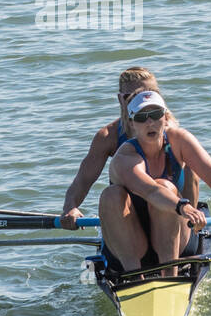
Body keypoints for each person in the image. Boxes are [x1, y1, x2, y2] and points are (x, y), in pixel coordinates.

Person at [100, 90, 211, 274]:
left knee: (166, 186)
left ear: (165, 118)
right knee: (110, 195)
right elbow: (151, 191)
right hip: (133, 245)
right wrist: (183, 207)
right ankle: (134, 277)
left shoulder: (179, 140)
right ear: (132, 124)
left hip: (176, 243)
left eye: (156, 115)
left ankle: (170, 276)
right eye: (142, 117)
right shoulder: (125, 158)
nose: (150, 122)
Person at [59, 67, 198, 229]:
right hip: (130, 218)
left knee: (191, 165)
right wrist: (70, 207)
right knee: (111, 195)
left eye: (149, 93)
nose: (141, 100)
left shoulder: (172, 132)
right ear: (121, 100)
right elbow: (82, 180)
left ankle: (193, 226)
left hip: (172, 212)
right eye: (132, 96)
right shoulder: (108, 136)